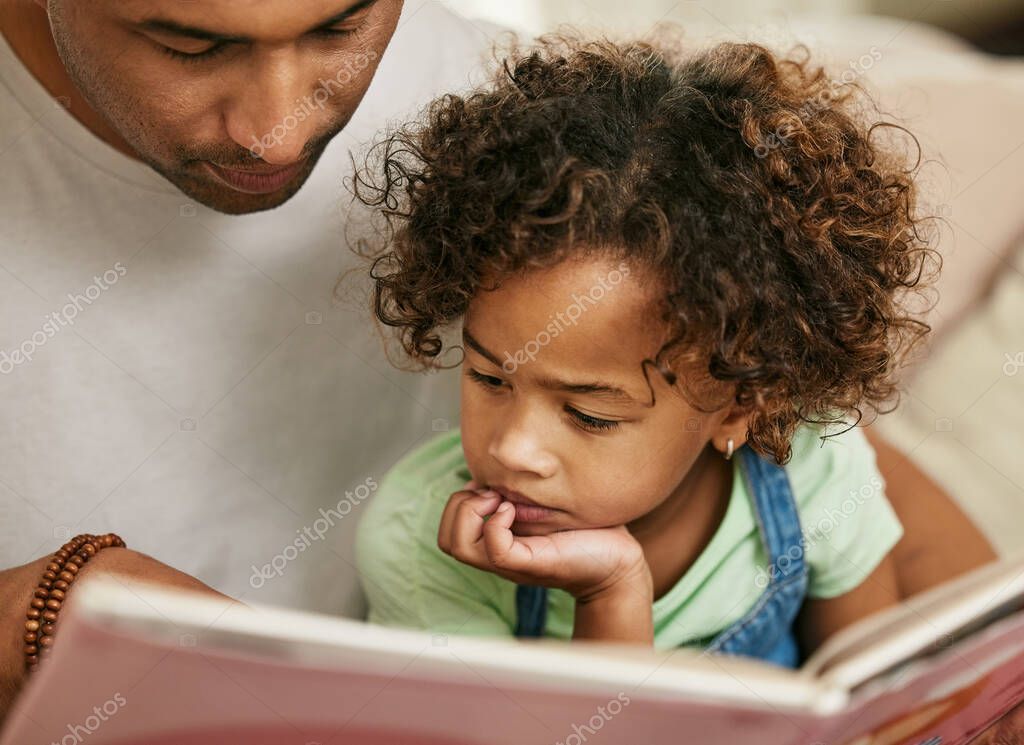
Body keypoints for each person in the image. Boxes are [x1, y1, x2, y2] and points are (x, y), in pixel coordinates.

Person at [354, 35, 996, 665]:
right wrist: (610, 591)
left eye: (590, 415)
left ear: (739, 408)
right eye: (490, 379)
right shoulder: (419, 542)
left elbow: (864, 695)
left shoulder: (811, 466)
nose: (511, 450)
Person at [0, 0, 500, 718]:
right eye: (191, 46)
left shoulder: (518, 116)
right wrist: (22, 624)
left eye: (340, 28)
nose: (280, 136)